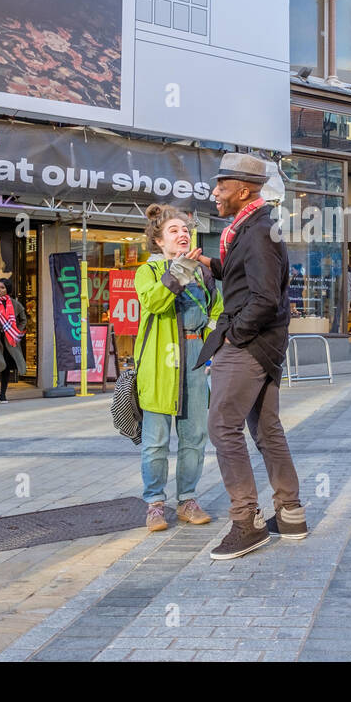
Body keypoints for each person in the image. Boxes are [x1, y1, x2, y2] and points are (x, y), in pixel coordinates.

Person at [192, 153, 306, 560]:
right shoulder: (255, 226)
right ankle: (290, 513)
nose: (215, 193)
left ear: (244, 190)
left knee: (222, 425)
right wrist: (211, 264)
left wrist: (233, 338)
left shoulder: (258, 231)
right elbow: (250, 276)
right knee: (266, 429)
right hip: (265, 343)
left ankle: (247, 522)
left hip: (250, 344)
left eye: (221, 186)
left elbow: (263, 296)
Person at [133, 204, 224, 532]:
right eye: (174, 230)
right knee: (156, 440)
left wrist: (212, 343)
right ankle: (154, 504)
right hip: (160, 361)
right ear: (159, 241)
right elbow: (155, 302)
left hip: (195, 358)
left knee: (195, 436)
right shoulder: (148, 272)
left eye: (185, 230)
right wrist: (180, 271)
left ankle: (187, 499)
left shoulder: (203, 272)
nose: (183, 234)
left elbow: (218, 309)